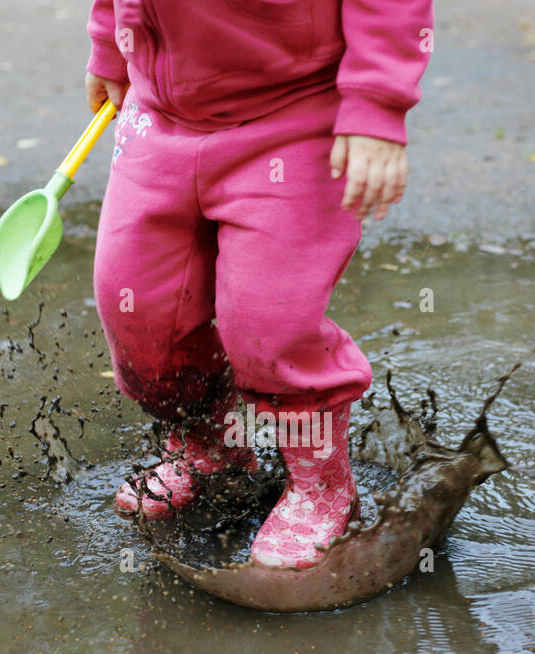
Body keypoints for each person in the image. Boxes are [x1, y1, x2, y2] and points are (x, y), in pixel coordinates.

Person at [86, 0, 432, 568]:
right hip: (158, 116)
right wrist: (109, 41)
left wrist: (377, 105)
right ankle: (210, 445)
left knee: (272, 322)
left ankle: (321, 483)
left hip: (293, 116)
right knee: (139, 314)